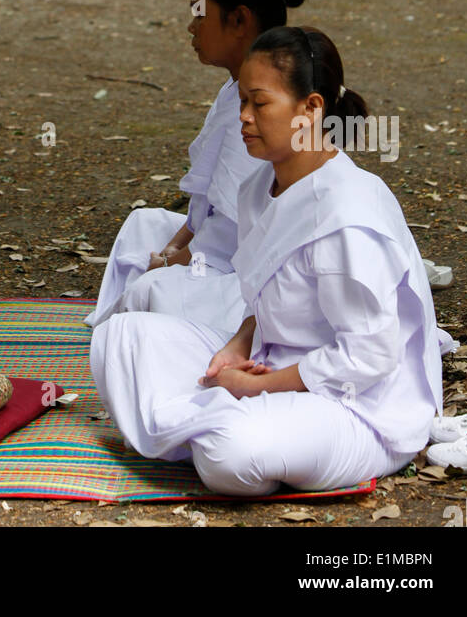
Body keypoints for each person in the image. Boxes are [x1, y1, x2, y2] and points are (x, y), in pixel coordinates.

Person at [90, 27, 447, 496]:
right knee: (121, 336)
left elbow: (371, 355)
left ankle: (221, 423)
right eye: (241, 102)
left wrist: (258, 388)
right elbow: (264, 296)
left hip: (357, 408)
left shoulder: (349, 215)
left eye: (259, 104)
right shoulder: (258, 189)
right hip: (271, 362)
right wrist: (237, 346)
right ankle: (220, 418)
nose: (243, 117)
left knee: (229, 454)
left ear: (311, 109)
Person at [85, 0, 309, 332]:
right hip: (226, 246)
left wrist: (170, 263)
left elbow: (231, 233)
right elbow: (210, 203)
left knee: (155, 289)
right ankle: (129, 314)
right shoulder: (234, 90)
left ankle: (141, 323)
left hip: (254, 268)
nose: (191, 27)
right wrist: (175, 245)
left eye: (200, 14)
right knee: (143, 225)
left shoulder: (266, 106)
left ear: (239, 20)